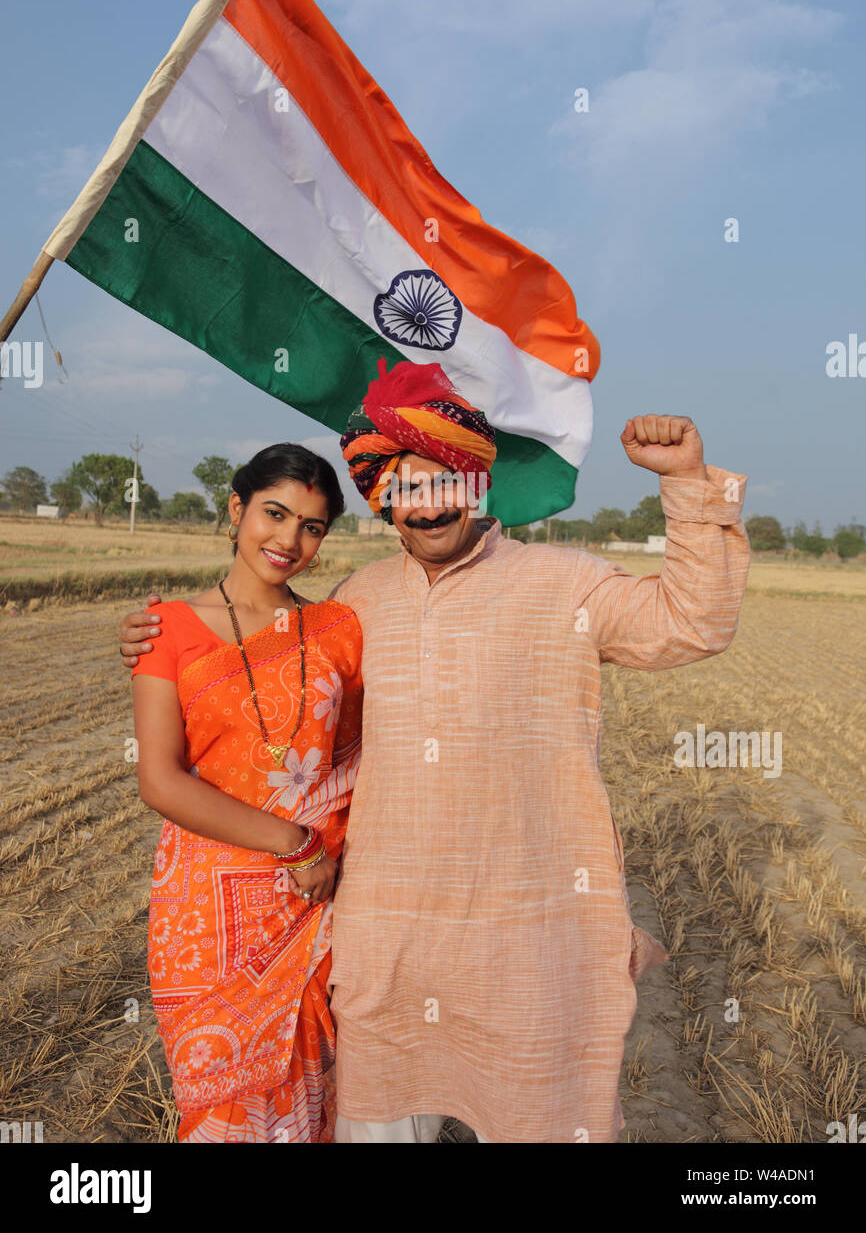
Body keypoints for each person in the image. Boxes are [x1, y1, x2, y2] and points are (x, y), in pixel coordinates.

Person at [121, 359, 750, 1144]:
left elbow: (695, 621)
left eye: (447, 481)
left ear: (479, 488)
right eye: (407, 490)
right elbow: (268, 718)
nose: (428, 507)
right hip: (387, 949)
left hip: (526, 947)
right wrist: (160, 642)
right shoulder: (357, 604)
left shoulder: (565, 585)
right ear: (383, 501)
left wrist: (688, 483)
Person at [129, 443, 362, 1143]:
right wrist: (292, 844)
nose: (289, 540)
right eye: (275, 513)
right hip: (207, 917)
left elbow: (358, 766)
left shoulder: (338, 630)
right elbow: (160, 778)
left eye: (313, 526)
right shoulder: (166, 630)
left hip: (316, 909)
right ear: (235, 509)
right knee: (221, 1111)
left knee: (313, 1094)